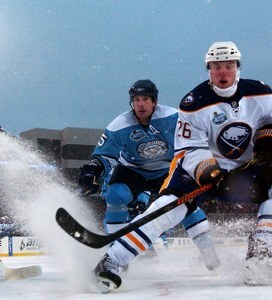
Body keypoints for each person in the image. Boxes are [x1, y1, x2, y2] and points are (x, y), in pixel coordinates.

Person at [92, 41, 272, 293]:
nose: (223, 72)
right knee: (165, 210)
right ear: (208, 69)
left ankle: (263, 250)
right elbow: (189, 149)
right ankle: (114, 260)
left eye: (228, 66)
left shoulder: (262, 92)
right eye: (216, 66)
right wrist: (208, 171)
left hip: (246, 169)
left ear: (237, 67)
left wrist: (267, 143)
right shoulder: (193, 102)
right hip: (203, 169)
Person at [78, 80, 219, 277]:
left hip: (167, 169)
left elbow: (194, 142)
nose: (140, 104)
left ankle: (208, 251)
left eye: (145, 99)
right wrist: (93, 169)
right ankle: (116, 256)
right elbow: (105, 154)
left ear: (154, 102)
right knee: (115, 195)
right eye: (136, 100)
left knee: (186, 202)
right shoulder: (119, 125)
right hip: (133, 170)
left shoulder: (172, 118)